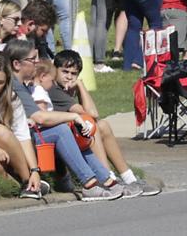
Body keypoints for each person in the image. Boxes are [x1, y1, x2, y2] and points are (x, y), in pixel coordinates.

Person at [3, 40, 125, 200]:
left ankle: (107, 180)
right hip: (17, 140)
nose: (37, 62)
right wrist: (74, 117)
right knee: (61, 130)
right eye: (32, 59)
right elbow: (39, 116)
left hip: (27, 135)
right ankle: (89, 184)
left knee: (72, 131)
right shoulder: (13, 84)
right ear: (17, 64)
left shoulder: (22, 84)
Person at [45, 51, 158, 195]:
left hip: (69, 135)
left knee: (102, 125)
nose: (69, 77)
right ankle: (108, 179)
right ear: (55, 70)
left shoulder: (66, 87)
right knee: (93, 126)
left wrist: (79, 87)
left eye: (74, 74)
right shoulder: (54, 90)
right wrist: (80, 85)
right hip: (59, 140)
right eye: (65, 72)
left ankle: (129, 178)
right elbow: (92, 113)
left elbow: (91, 113)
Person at [0, 53, 47, 199]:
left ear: (6, 82)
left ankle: (27, 180)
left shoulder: (12, 99)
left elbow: (23, 137)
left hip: (8, 150)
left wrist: (35, 170)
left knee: (0, 131)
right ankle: (17, 186)